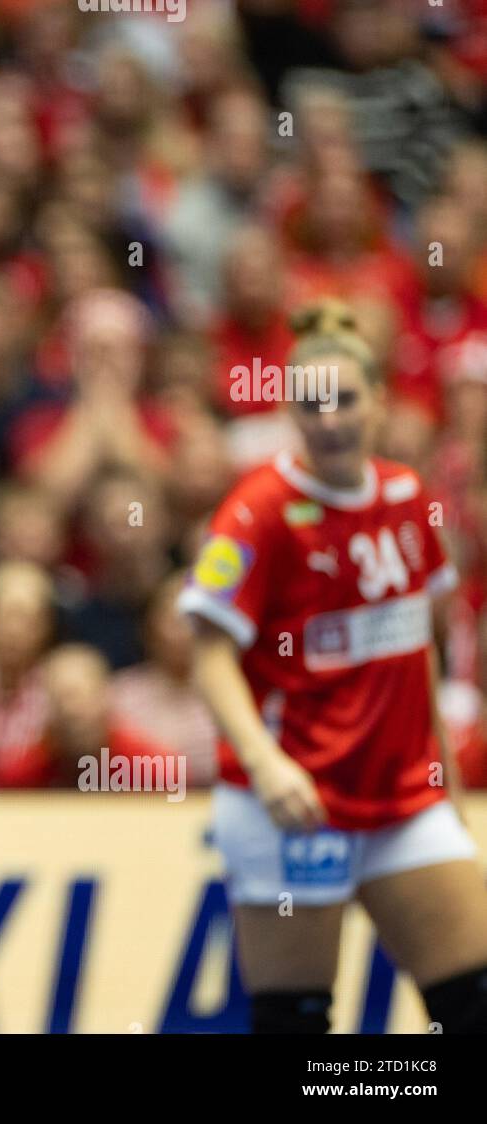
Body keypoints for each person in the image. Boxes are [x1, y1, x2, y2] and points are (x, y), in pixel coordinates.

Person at [180, 299, 487, 1033]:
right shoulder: (259, 511)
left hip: (402, 800)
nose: (330, 419)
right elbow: (210, 654)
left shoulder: (410, 500)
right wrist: (266, 765)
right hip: (295, 806)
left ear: (380, 401)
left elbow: (419, 655)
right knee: (298, 1023)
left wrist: (448, 790)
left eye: (346, 399)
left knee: (472, 1004)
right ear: (290, 412)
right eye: (311, 405)